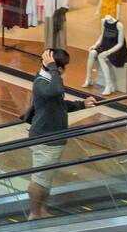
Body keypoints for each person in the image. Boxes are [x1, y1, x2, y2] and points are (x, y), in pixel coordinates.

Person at [21, 49, 96, 220]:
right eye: (64, 67)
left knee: (45, 179)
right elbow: (56, 90)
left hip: (54, 137)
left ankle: (42, 210)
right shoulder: (42, 82)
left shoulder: (49, 79)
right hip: (44, 139)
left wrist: (81, 104)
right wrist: (54, 68)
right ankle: (34, 213)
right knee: (39, 178)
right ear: (58, 68)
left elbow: (59, 104)